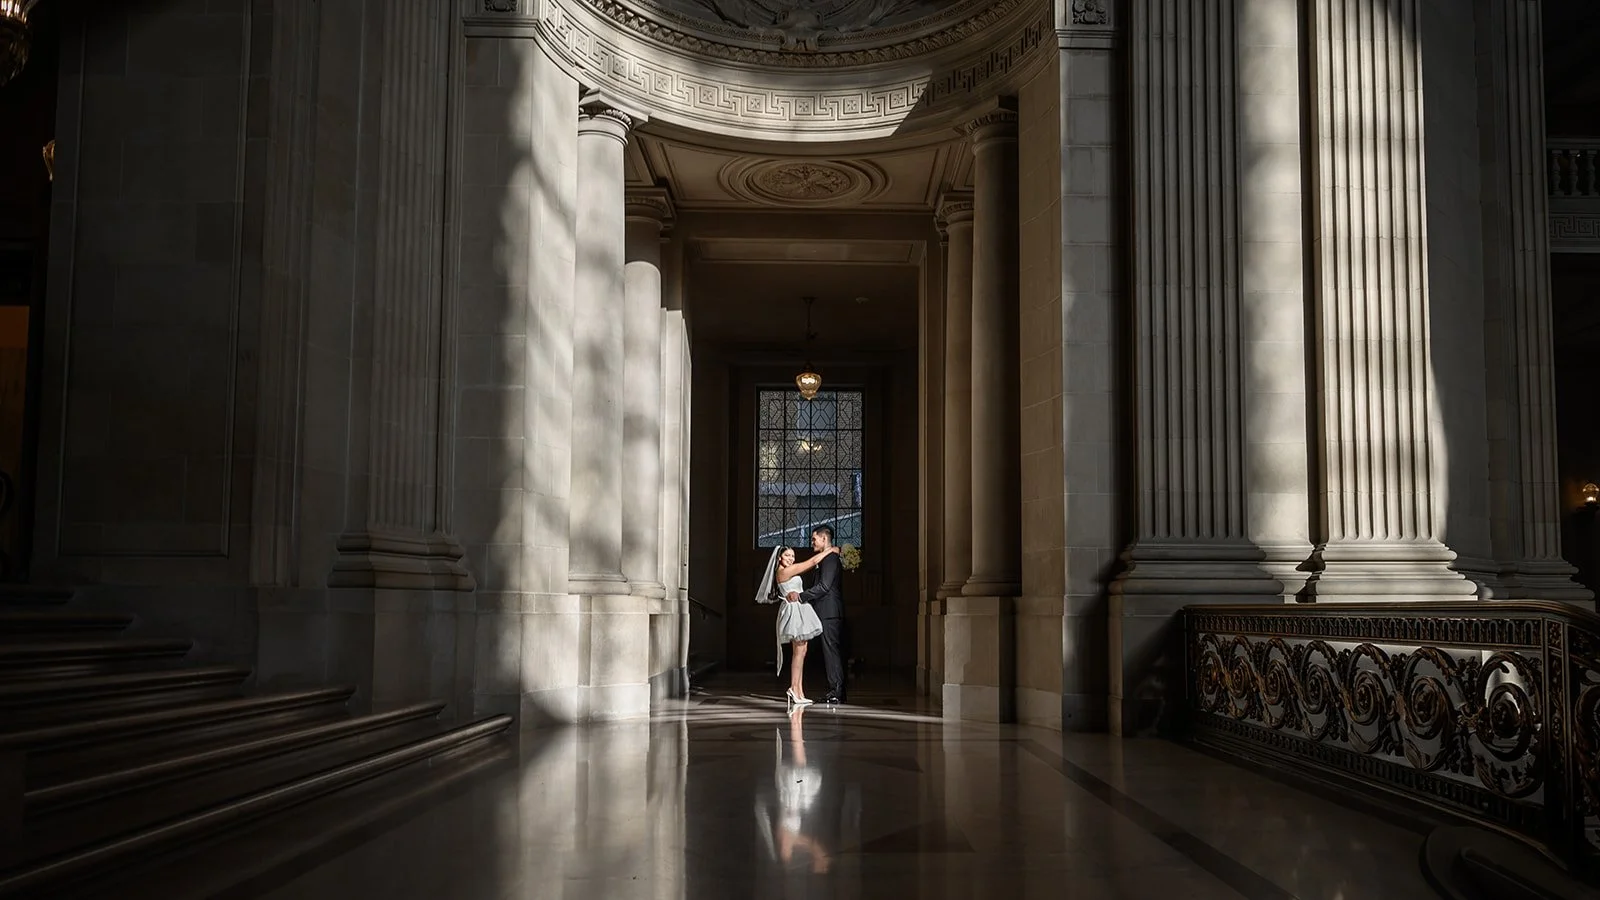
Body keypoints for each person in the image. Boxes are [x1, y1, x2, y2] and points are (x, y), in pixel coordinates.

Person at [754, 542, 837, 705]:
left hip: (800, 609)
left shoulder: (787, 569)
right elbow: (812, 562)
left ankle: (799, 690)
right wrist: (830, 551)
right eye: (787, 556)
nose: (791, 559)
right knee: (798, 652)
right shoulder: (784, 571)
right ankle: (793, 688)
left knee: (802, 650)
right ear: (779, 558)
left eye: (793, 556)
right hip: (794, 612)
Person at [786, 525, 846, 704]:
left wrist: (801, 596)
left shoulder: (831, 559)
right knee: (828, 651)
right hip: (823, 610)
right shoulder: (826, 558)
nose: (811, 542)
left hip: (829, 611)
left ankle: (836, 692)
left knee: (831, 651)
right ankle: (834, 689)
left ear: (824, 539)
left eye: (814, 539)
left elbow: (825, 586)